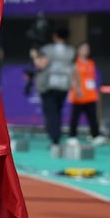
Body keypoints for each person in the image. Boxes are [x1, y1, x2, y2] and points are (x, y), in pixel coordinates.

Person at [32, 28, 76, 156]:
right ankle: (56, 138)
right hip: (63, 85)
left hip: (48, 85)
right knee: (57, 112)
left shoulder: (47, 49)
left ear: (55, 36)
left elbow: (41, 65)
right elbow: (73, 68)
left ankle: (55, 139)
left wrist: (35, 56)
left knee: (51, 113)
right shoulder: (71, 51)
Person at [68, 42, 104, 144]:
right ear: (78, 50)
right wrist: (77, 89)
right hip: (78, 94)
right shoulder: (75, 63)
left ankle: (96, 135)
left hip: (90, 95)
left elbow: (92, 79)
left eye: (87, 48)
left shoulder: (91, 63)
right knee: (75, 117)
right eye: (83, 48)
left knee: (93, 117)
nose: (86, 50)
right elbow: (73, 77)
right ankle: (72, 136)